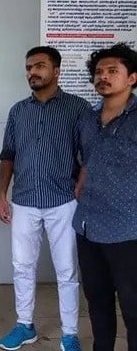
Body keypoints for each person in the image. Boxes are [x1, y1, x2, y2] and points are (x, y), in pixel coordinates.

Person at [0, 46, 88, 351]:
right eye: (28, 67)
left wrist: (81, 185)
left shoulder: (77, 108)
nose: (32, 72)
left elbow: (89, 154)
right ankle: (25, 325)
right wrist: (2, 195)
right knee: (22, 266)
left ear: (56, 71)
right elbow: (8, 155)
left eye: (39, 66)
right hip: (24, 200)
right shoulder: (18, 111)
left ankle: (70, 334)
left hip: (63, 200)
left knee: (67, 271)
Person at [74, 43, 137, 351]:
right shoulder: (88, 117)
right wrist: (83, 181)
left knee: (133, 307)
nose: (104, 77)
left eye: (113, 71)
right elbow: (88, 158)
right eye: (99, 72)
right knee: (97, 302)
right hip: (87, 225)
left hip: (128, 229)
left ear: (132, 79)